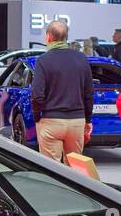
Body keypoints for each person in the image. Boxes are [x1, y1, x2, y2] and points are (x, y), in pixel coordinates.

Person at [29, 20, 94, 162]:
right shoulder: (81, 59)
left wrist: (37, 117)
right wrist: (88, 120)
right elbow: (88, 93)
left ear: (49, 37)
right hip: (77, 122)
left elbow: (37, 94)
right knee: (75, 168)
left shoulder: (43, 60)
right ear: (66, 37)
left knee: (52, 169)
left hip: (51, 121)